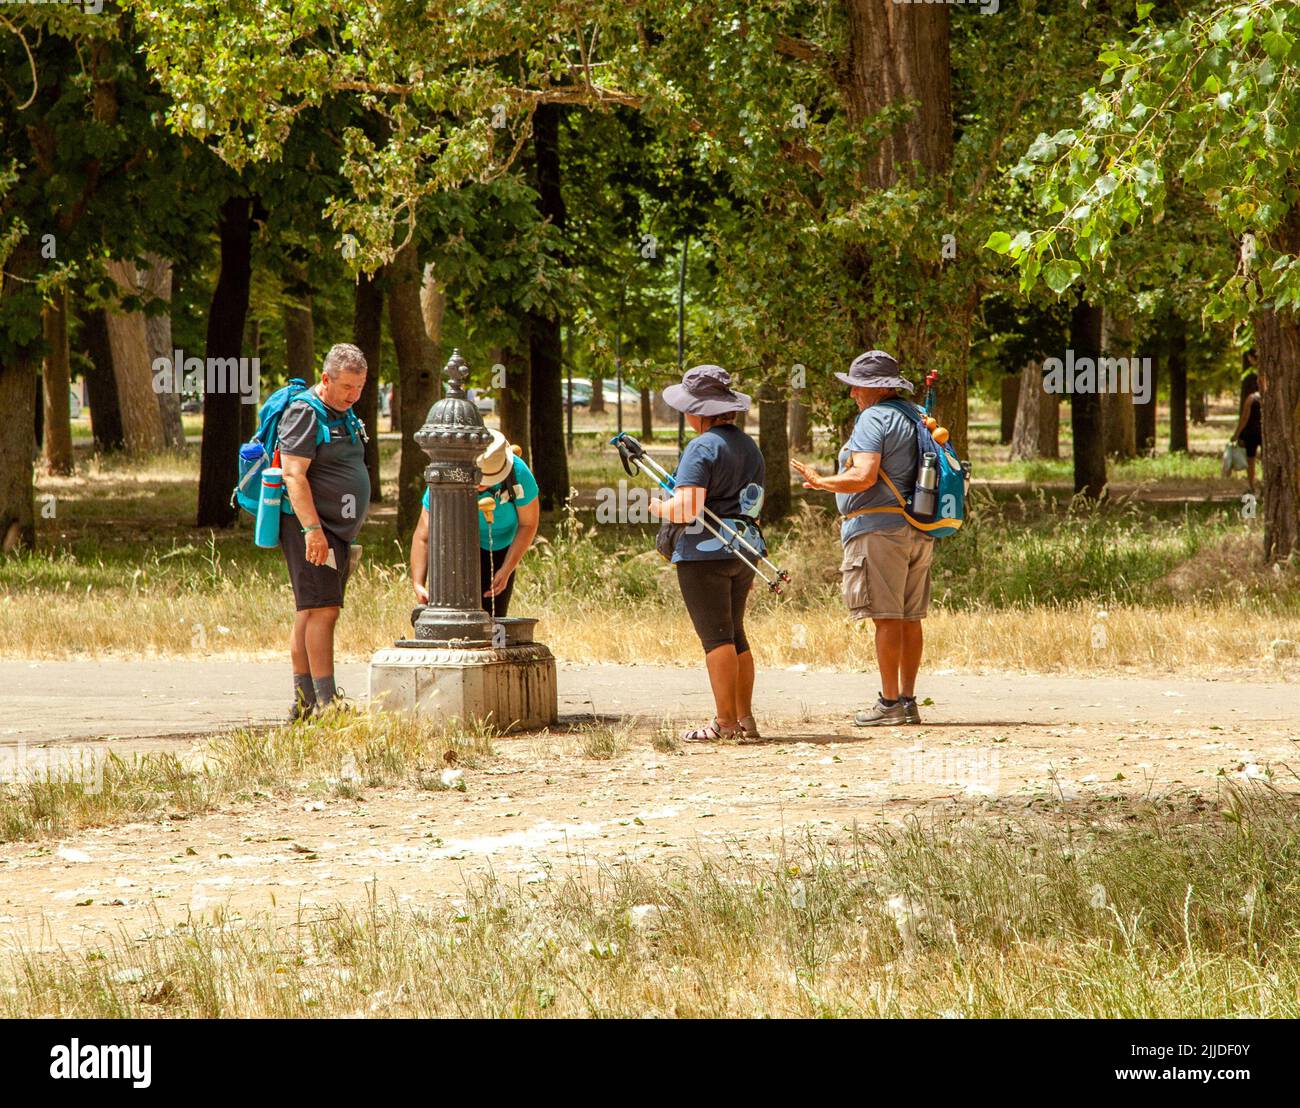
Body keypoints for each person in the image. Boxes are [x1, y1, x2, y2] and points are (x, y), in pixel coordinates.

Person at [790, 350, 932, 727]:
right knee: (909, 618)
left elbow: (865, 475)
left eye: (857, 387)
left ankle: (888, 704)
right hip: (918, 528)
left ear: (877, 388)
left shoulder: (874, 418)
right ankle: (907, 700)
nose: (853, 395)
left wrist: (823, 482)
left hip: (879, 531)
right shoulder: (916, 414)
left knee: (886, 618)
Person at [649, 365, 766, 742]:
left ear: (700, 411)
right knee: (737, 636)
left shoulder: (701, 447)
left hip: (704, 556)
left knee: (716, 639)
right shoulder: (750, 446)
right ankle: (745, 720)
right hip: (744, 550)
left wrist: (657, 508)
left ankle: (724, 724)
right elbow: (754, 505)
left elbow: (687, 508)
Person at [278, 343, 371, 718]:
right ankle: (327, 703)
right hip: (312, 527)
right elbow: (293, 474)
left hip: (334, 529)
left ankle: (304, 703)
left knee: (309, 612)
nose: (354, 395)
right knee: (324, 611)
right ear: (325, 379)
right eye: (347, 387)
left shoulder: (343, 412)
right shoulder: (304, 413)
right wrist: (313, 530)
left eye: (360, 387)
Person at [409, 429, 540, 619]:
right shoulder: (448, 474)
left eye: (488, 480)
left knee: (493, 618)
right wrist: (418, 584)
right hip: (459, 543)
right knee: (456, 615)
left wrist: (507, 568)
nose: (480, 486)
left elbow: (528, 524)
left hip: (502, 547)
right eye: (478, 478)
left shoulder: (519, 474)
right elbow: (423, 536)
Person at [1232, 372, 1263, 495]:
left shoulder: (1251, 399)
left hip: (1251, 434)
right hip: (1264, 434)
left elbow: (1244, 419)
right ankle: (1266, 484)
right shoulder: (1270, 399)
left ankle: (1252, 485)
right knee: (1266, 460)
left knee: (1251, 460)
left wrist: (1236, 434)